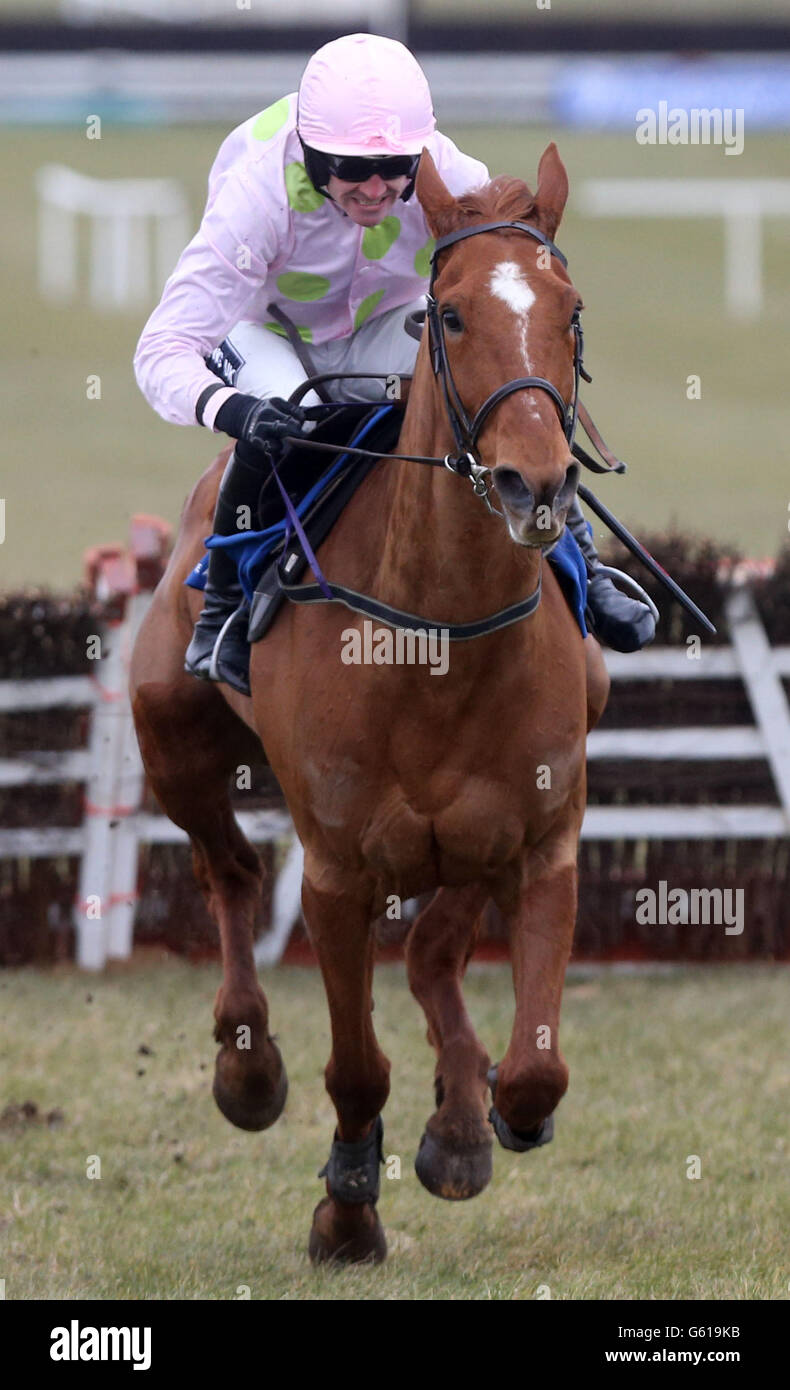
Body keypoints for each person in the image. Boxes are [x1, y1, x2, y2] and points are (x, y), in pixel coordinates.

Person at [134, 32, 655, 696]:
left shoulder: (452, 175)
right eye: (352, 169)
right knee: (303, 421)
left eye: (393, 168)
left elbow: (511, 290)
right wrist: (232, 409)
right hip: (263, 327)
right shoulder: (257, 198)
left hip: (380, 319)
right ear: (312, 154)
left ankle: (582, 561)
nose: (377, 189)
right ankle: (224, 609)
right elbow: (162, 349)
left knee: (494, 375)